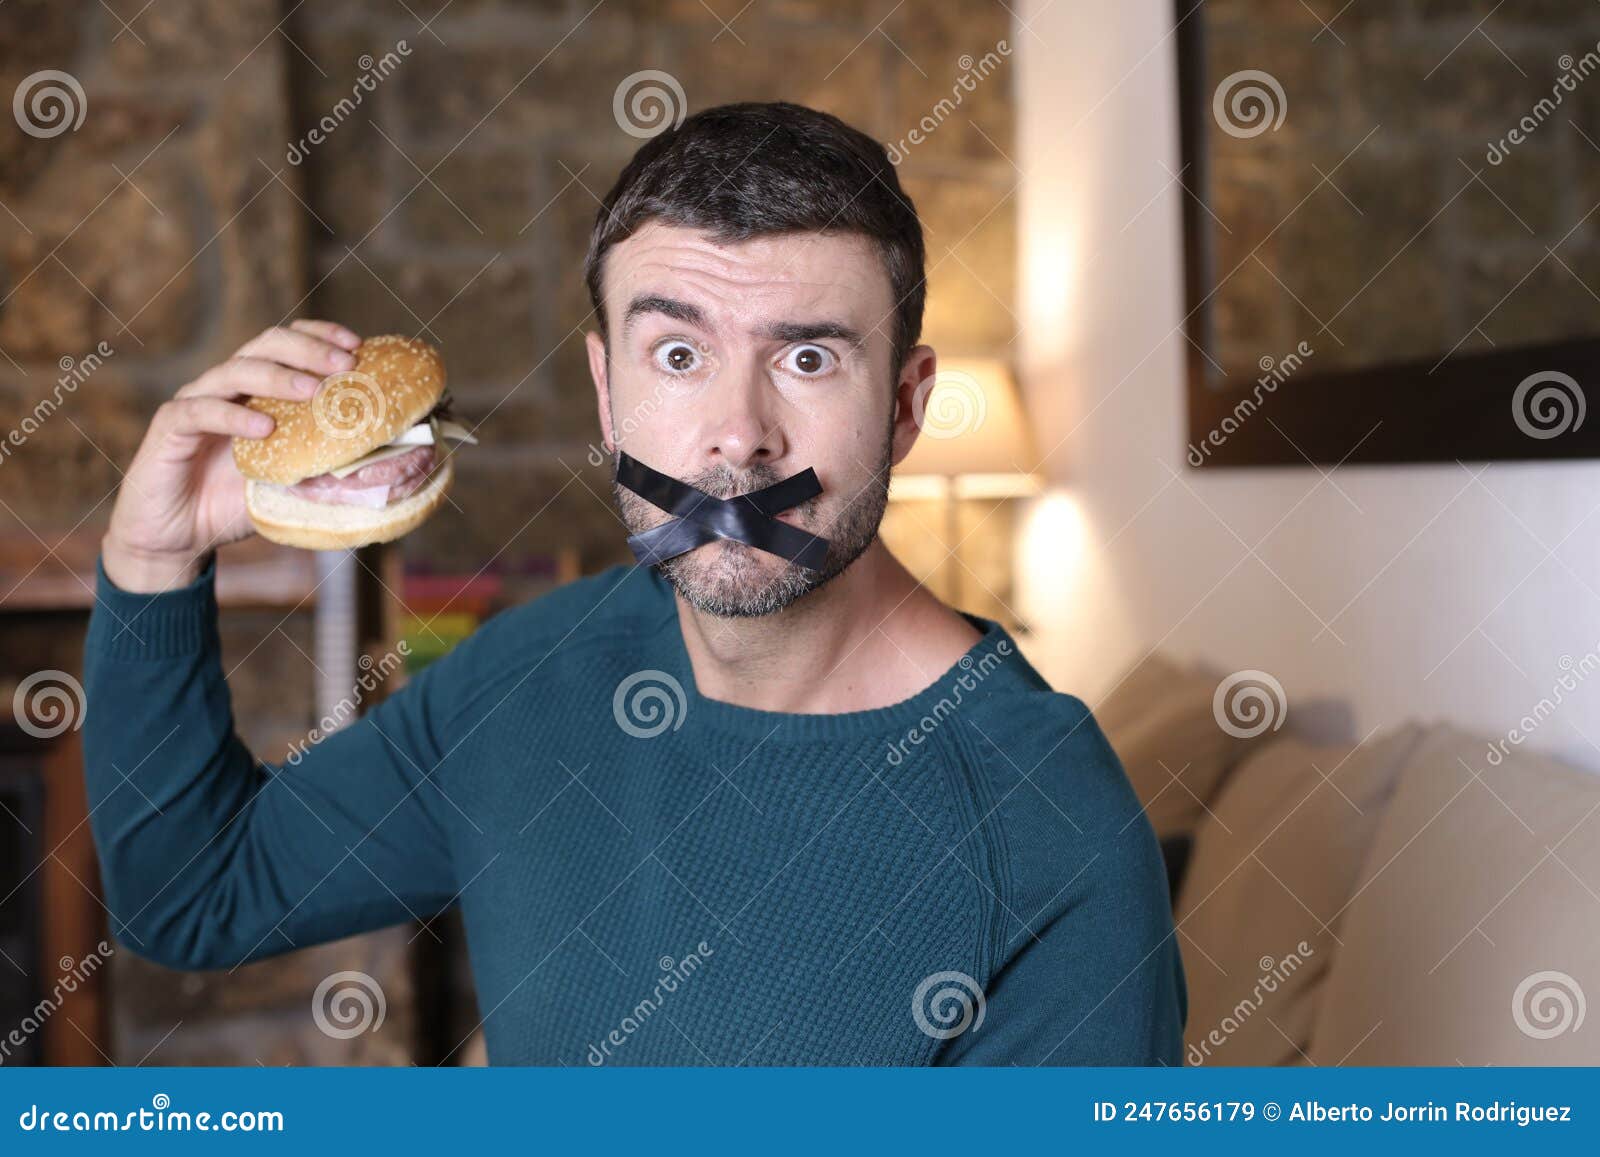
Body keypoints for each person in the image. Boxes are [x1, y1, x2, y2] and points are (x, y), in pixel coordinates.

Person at [82, 101, 1185, 1065]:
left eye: (808, 358)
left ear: (903, 403)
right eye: (677, 354)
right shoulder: (532, 673)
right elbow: (191, 893)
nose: (738, 441)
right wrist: (154, 561)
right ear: (608, 392)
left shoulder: (1051, 831)